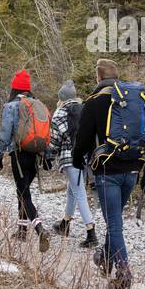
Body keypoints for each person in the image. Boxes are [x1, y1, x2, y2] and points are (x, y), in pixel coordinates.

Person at [72, 58, 145, 289]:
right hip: (133, 168)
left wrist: (77, 161)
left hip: (107, 171)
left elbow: (83, 139)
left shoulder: (94, 102)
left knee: (114, 224)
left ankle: (124, 275)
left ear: (98, 77)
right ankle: (105, 258)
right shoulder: (132, 98)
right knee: (114, 218)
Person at [0, 69, 52, 251]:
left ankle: (40, 229)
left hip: (18, 154)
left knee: (24, 193)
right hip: (34, 154)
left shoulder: (11, 106)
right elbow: (48, 131)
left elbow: (5, 133)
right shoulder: (38, 105)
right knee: (23, 191)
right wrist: (47, 155)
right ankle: (21, 230)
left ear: (14, 89)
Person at [46, 79, 98, 248]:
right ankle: (65, 223)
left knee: (79, 192)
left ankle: (91, 233)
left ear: (61, 97)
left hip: (70, 158)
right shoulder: (85, 108)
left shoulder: (60, 112)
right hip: (86, 157)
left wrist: (49, 156)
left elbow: (55, 140)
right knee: (72, 190)